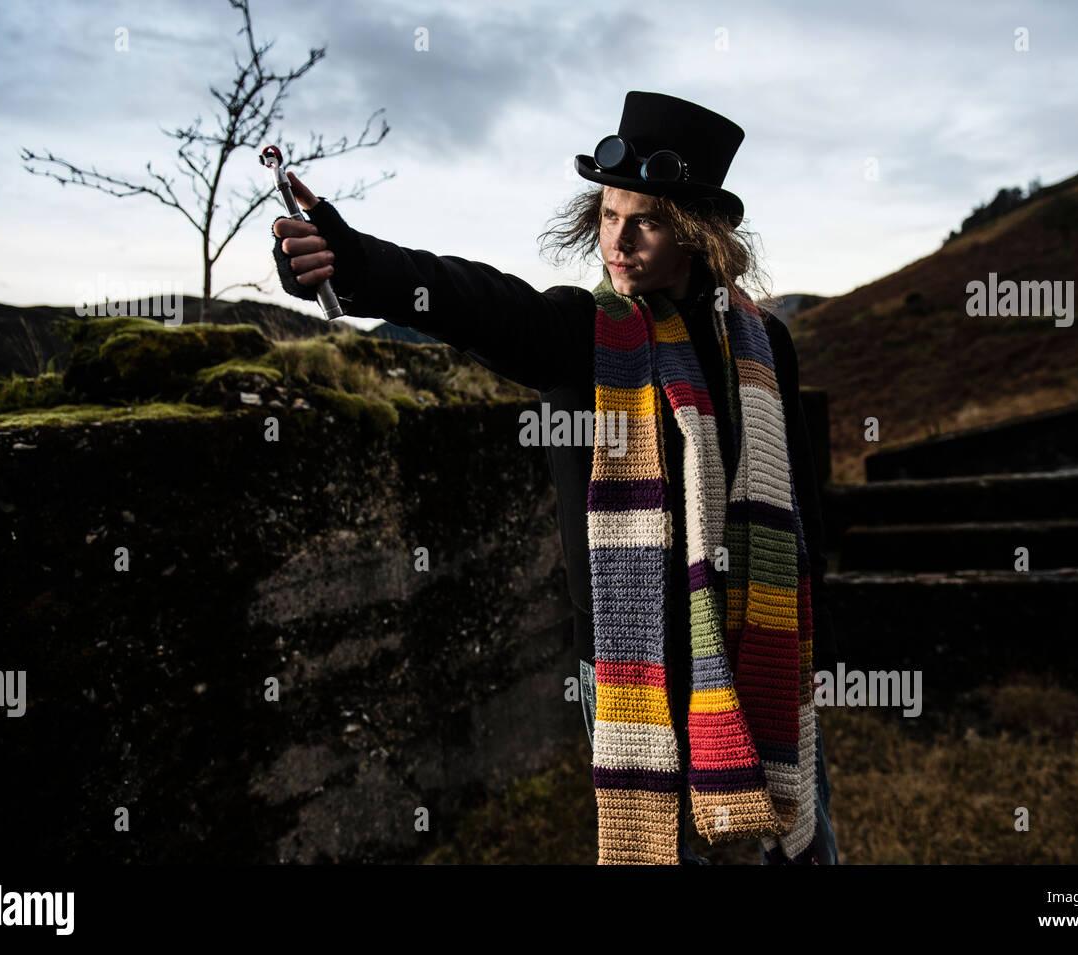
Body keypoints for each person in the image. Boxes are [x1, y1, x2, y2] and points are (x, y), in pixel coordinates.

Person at [272, 91, 840, 866]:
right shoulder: (586, 332)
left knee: (794, 827)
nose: (618, 238)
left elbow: (803, 505)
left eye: (645, 219)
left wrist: (808, 632)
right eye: (608, 214)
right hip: (633, 649)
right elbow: (480, 303)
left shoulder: (763, 342)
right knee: (671, 852)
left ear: (697, 231)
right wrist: (359, 263)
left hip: (758, 634)